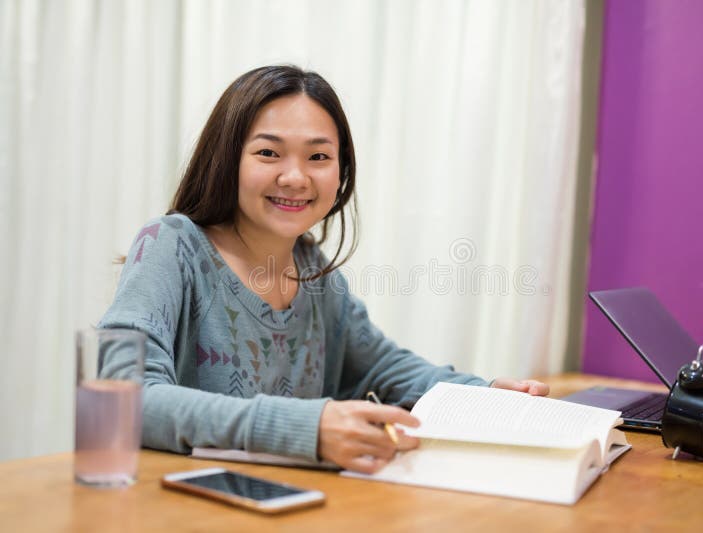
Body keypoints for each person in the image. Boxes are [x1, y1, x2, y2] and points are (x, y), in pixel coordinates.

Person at [99, 65, 549, 473]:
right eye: (268, 153)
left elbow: (386, 370)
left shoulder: (316, 272)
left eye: (318, 157)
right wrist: (306, 428)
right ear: (227, 158)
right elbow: (122, 397)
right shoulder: (170, 245)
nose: (296, 177)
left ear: (341, 173)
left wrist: (483, 394)